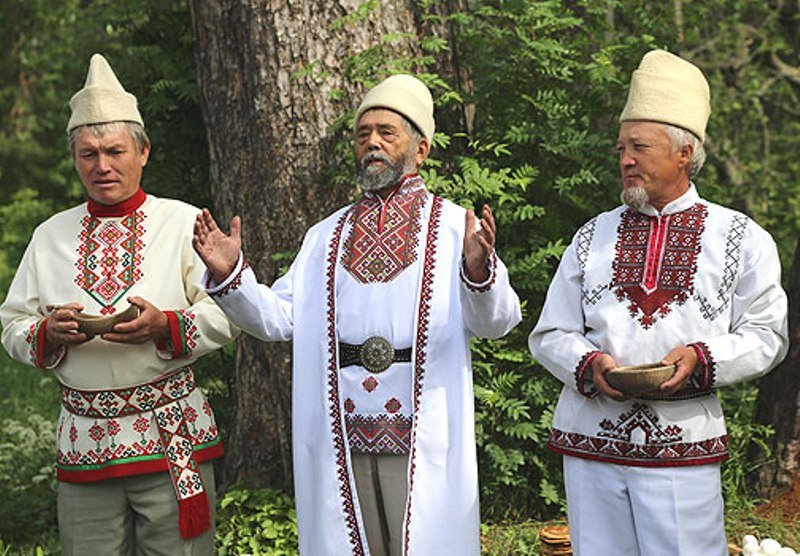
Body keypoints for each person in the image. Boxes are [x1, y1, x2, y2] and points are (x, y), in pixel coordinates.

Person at [193, 74, 522, 555]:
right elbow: (279, 318)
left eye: (387, 132)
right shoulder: (325, 235)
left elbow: (498, 322)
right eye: (363, 133)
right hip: (341, 434)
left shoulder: (457, 226)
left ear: (421, 149)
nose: (372, 142)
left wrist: (478, 269)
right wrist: (232, 277)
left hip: (421, 433)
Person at [529, 49, 789, 555]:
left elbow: (768, 335)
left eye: (640, 147)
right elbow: (549, 334)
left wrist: (702, 359)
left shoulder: (739, 237)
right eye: (621, 146)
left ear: (684, 153)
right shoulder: (592, 235)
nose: (624, 158)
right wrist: (590, 364)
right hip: (592, 444)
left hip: (682, 445)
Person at [0, 54, 239, 555]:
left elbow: (229, 312)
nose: (102, 165)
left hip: (171, 438)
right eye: (88, 153)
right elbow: (12, 324)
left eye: (114, 150)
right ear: (74, 158)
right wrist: (48, 333)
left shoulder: (184, 223)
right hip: (85, 447)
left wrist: (166, 326)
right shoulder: (50, 236)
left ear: (144, 151)